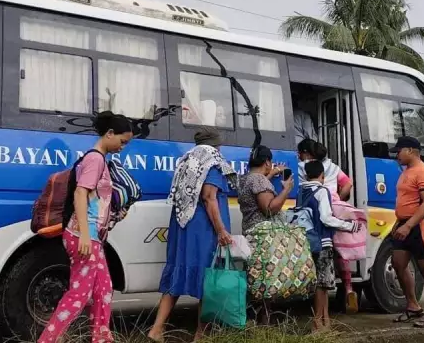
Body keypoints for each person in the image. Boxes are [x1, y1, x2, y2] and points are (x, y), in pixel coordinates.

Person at [39, 111, 134, 343]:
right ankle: (47, 340)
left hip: (92, 238)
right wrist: (83, 234)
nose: (123, 147)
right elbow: (80, 194)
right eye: (122, 141)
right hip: (85, 237)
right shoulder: (95, 159)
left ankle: (101, 337)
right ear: (109, 134)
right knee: (78, 296)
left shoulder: (97, 159)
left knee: (104, 289)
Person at [148, 127, 235, 342]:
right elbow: (209, 197)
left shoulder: (187, 161)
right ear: (217, 145)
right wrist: (221, 229)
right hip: (204, 228)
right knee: (209, 278)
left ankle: (157, 329)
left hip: (182, 226)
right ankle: (200, 335)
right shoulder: (212, 162)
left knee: (176, 274)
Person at [297, 139, 357, 313]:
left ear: (306, 153)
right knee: (341, 250)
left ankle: (318, 315)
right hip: (334, 208)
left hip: (315, 211)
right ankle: (348, 288)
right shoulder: (333, 167)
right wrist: (338, 197)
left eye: (300, 153)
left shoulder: (303, 168)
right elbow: (348, 183)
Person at [389, 136, 424, 328]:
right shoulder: (406, 172)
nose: (397, 155)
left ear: (411, 150)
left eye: (399, 151)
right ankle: (413, 306)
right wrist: (399, 223)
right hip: (404, 223)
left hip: (421, 225)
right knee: (397, 263)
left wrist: (409, 225)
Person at [237, 144, 295, 324]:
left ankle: (253, 319)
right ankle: (263, 320)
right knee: (266, 277)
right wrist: (286, 189)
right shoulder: (259, 181)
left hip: (250, 231)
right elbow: (269, 208)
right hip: (264, 237)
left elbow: (257, 189)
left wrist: (271, 174)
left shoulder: (246, 179)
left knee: (255, 275)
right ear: (267, 162)